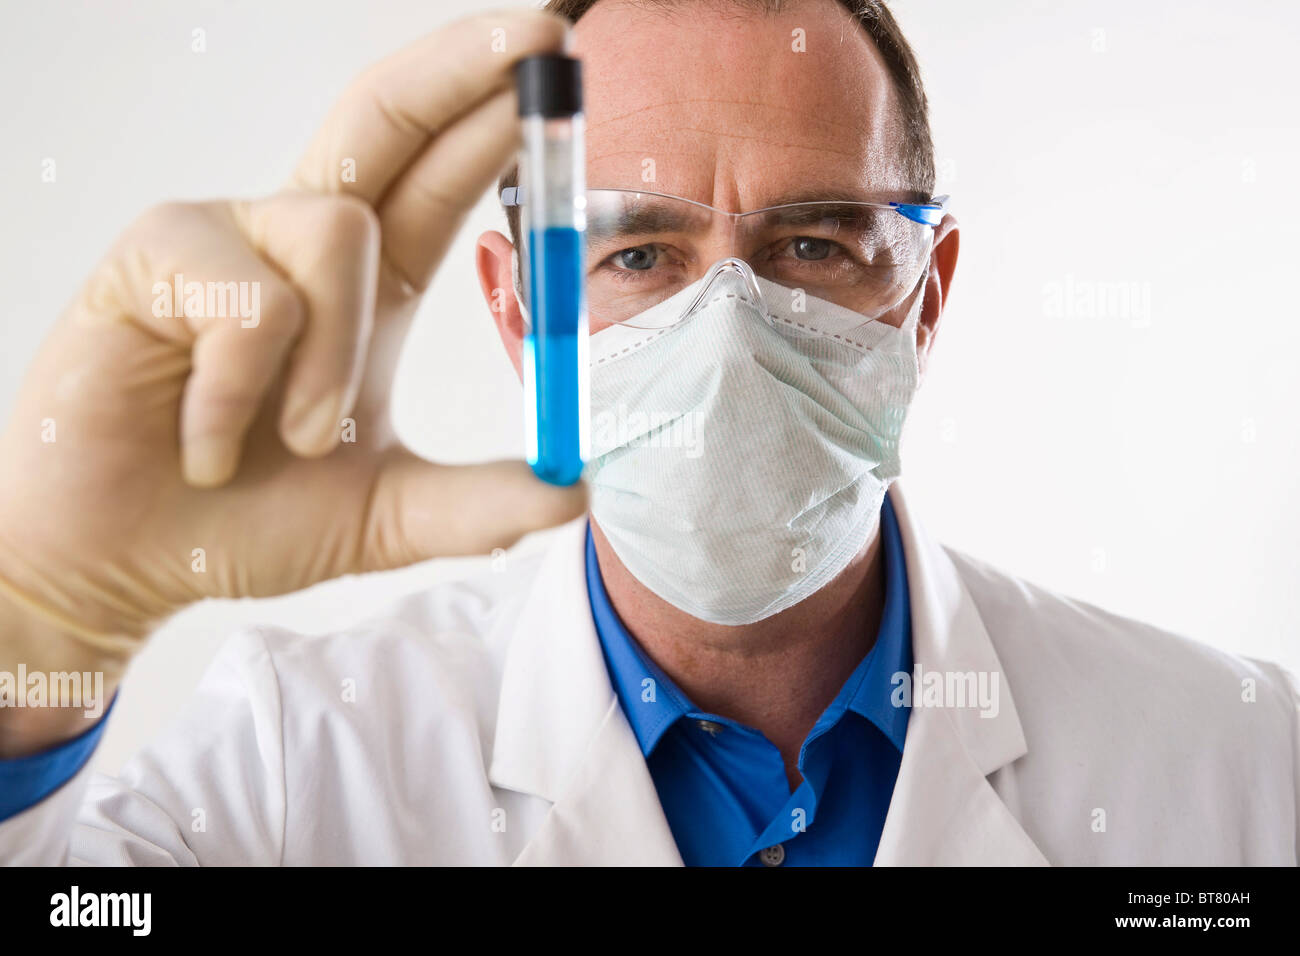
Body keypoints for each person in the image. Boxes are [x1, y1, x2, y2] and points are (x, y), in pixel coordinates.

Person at [0, 0, 1295, 866]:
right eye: (636, 252)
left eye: (812, 244)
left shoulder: (1232, 762)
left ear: (926, 296)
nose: (728, 336)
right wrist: (37, 627)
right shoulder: (297, 763)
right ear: (519, 309)